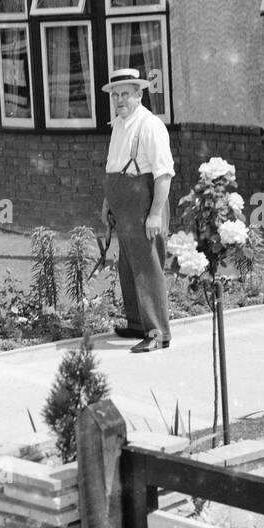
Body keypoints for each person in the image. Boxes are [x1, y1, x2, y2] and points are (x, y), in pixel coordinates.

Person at [100, 67, 174, 352]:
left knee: (147, 265)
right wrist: (109, 202)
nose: (119, 100)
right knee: (128, 265)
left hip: (143, 205)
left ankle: (157, 332)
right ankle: (136, 323)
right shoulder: (119, 124)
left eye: (125, 94)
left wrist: (155, 213)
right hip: (123, 206)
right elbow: (114, 166)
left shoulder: (150, 125)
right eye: (116, 94)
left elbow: (163, 174)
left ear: (139, 94)